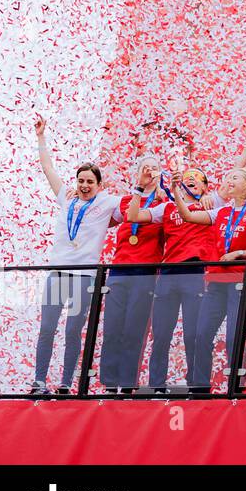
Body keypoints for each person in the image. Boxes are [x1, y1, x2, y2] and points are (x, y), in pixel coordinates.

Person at [134, 125, 246, 392]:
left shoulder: (214, 203)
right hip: (168, 274)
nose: (190, 178)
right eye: (186, 176)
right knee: (161, 336)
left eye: (197, 177)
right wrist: (149, 184)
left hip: (197, 273)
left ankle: (197, 385)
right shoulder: (167, 206)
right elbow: (135, 216)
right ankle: (156, 386)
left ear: (206, 186)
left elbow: (234, 179)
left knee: (195, 333)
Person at [31, 114, 124, 395]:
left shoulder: (107, 203)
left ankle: (66, 384)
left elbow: (134, 205)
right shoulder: (66, 198)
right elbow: (48, 169)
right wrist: (41, 138)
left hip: (84, 277)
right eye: (81, 180)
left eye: (90, 182)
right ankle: (38, 382)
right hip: (57, 273)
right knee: (47, 328)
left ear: (99, 185)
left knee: (73, 331)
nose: (84, 185)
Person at [173, 167, 246, 393]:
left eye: (235, 178)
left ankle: (236, 388)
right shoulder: (221, 212)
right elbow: (188, 216)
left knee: (234, 336)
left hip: (241, 282)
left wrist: (239, 253)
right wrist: (175, 191)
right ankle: (200, 387)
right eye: (228, 176)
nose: (228, 180)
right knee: (201, 333)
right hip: (216, 281)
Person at [102, 156, 168, 392]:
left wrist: (164, 191)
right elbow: (131, 215)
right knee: (112, 326)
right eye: (144, 168)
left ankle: (128, 382)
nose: (149, 172)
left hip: (146, 270)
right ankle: (109, 382)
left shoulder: (165, 202)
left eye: (153, 169)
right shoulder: (128, 199)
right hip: (120, 268)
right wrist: (140, 187)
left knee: (134, 327)